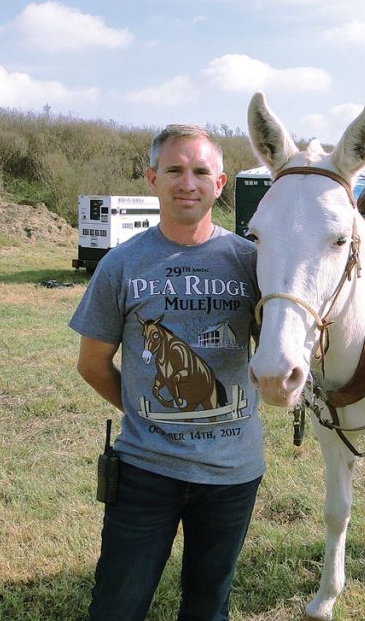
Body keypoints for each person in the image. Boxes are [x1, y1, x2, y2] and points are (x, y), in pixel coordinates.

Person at [70, 124, 263, 620]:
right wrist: (149, 414)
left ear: (220, 184)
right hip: (144, 470)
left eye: (200, 171)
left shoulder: (252, 264)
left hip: (231, 473)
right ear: (152, 178)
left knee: (208, 608)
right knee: (117, 607)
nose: (187, 183)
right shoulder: (121, 264)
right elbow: (92, 364)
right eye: (174, 170)